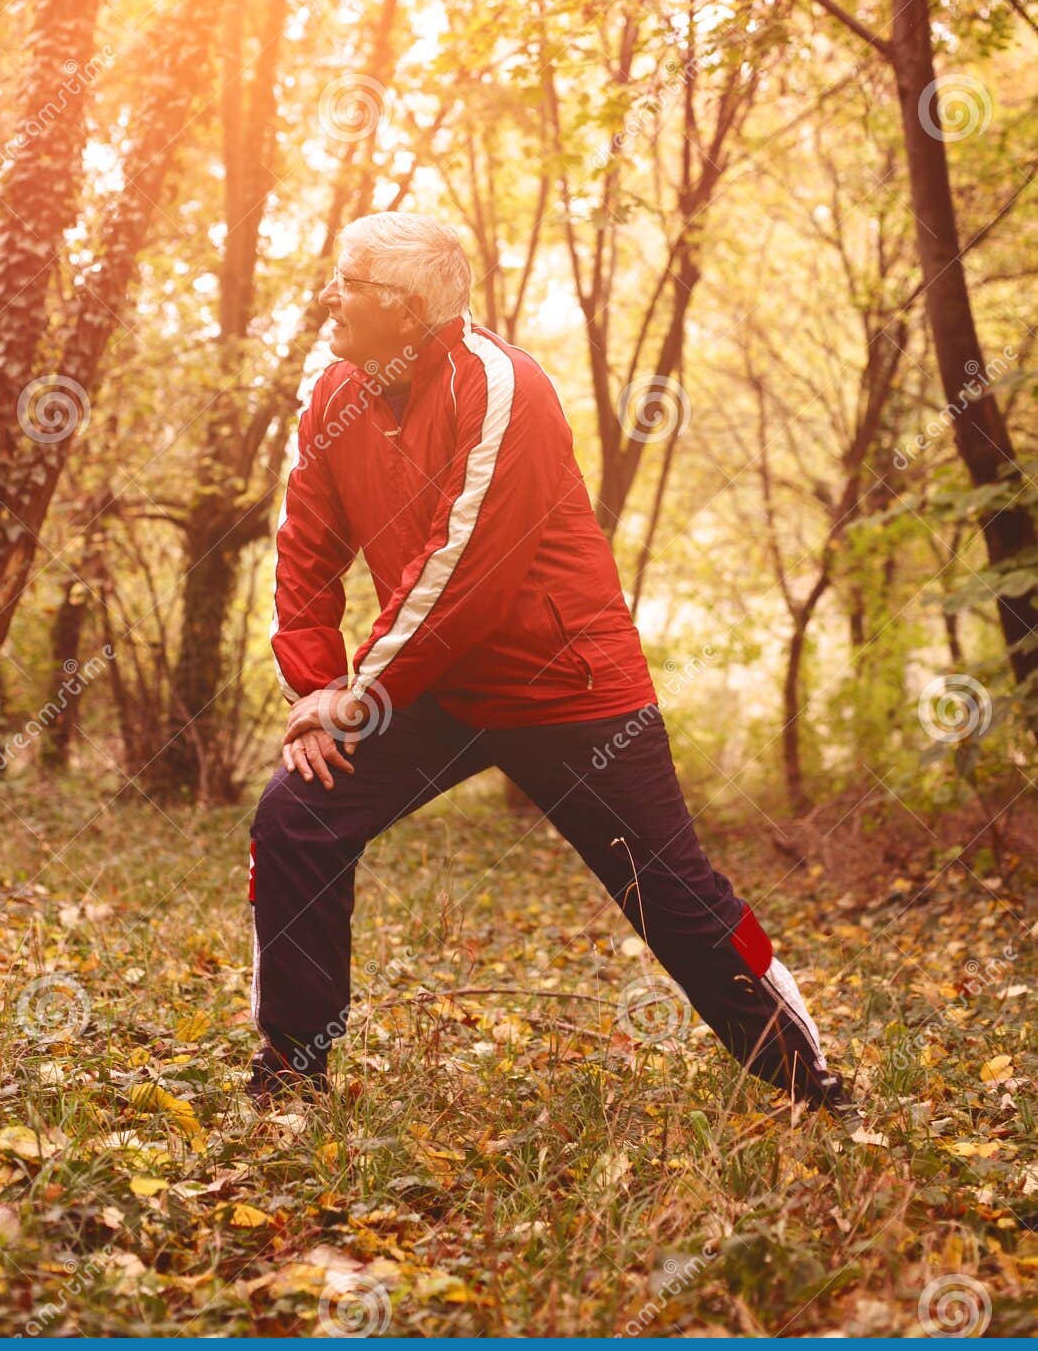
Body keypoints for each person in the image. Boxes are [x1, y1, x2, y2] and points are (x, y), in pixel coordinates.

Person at [247, 211, 848, 1117]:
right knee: (296, 817)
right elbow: (306, 548)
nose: (330, 297)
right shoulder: (334, 393)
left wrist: (359, 691)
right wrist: (320, 686)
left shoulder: (502, 388)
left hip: (568, 690)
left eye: (352, 285)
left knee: (669, 893)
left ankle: (811, 1084)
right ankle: (292, 1073)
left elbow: (465, 569)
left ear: (408, 310)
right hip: (430, 687)